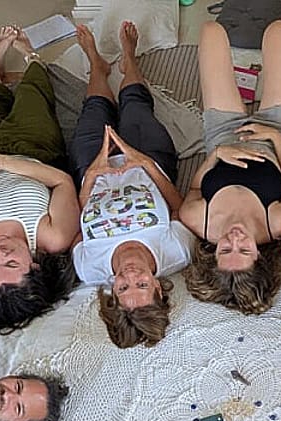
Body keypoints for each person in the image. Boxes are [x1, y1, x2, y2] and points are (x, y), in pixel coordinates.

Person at [180, 21, 281, 315]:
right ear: (259, 255)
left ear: (213, 252)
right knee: (279, 31)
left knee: (209, 32)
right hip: (278, 134)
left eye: (224, 249)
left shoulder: (198, 218)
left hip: (224, 132)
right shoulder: (277, 221)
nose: (233, 238)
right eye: (243, 250)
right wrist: (274, 138)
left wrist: (218, 152)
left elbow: (194, 187)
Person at [70, 23, 194, 348]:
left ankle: (96, 64)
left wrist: (94, 174)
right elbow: (180, 207)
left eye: (123, 288)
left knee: (96, 108)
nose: (129, 275)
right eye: (140, 283)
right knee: (136, 105)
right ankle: (130, 58)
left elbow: (78, 221)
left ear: (112, 294)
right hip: (149, 161)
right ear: (158, 287)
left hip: (93, 169)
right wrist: (143, 163)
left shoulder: (89, 269)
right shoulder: (177, 253)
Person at [0, 26, 80, 331]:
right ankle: (30, 55)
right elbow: (62, 181)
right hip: (32, 148)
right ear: (34, 267)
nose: (0, 255)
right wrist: (3, 162)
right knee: (33, 92)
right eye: (11, 264)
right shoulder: (52, 238)